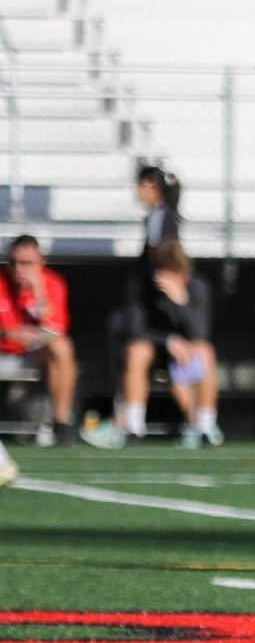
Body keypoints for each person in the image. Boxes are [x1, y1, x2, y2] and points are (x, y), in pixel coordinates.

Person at [91, 243, 222, 448]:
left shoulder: (197, 286)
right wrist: (169, 340)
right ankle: (133, 428)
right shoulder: (139, 284)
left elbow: (199, 333)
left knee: (204, 351)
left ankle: (205, 427)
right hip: (152, 347)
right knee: (136, 352)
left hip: (183, 357)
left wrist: (180, 302)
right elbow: (135, 329)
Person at [0, 235, 79, 444]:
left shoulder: (52, 283)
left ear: (40, 262)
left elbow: (56, 328)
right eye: (14, 262)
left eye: (26, 263)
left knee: (61, 348)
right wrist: (9, 333)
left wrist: (38, 292)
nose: (19, 269)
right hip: (4, 348)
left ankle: (60, 422)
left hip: (35, 351)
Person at [136, 165, 180, 253]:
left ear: (152, 186)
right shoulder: (154, 214)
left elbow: (157, 247)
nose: (138, 191)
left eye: (141, 186)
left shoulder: (160, 215)